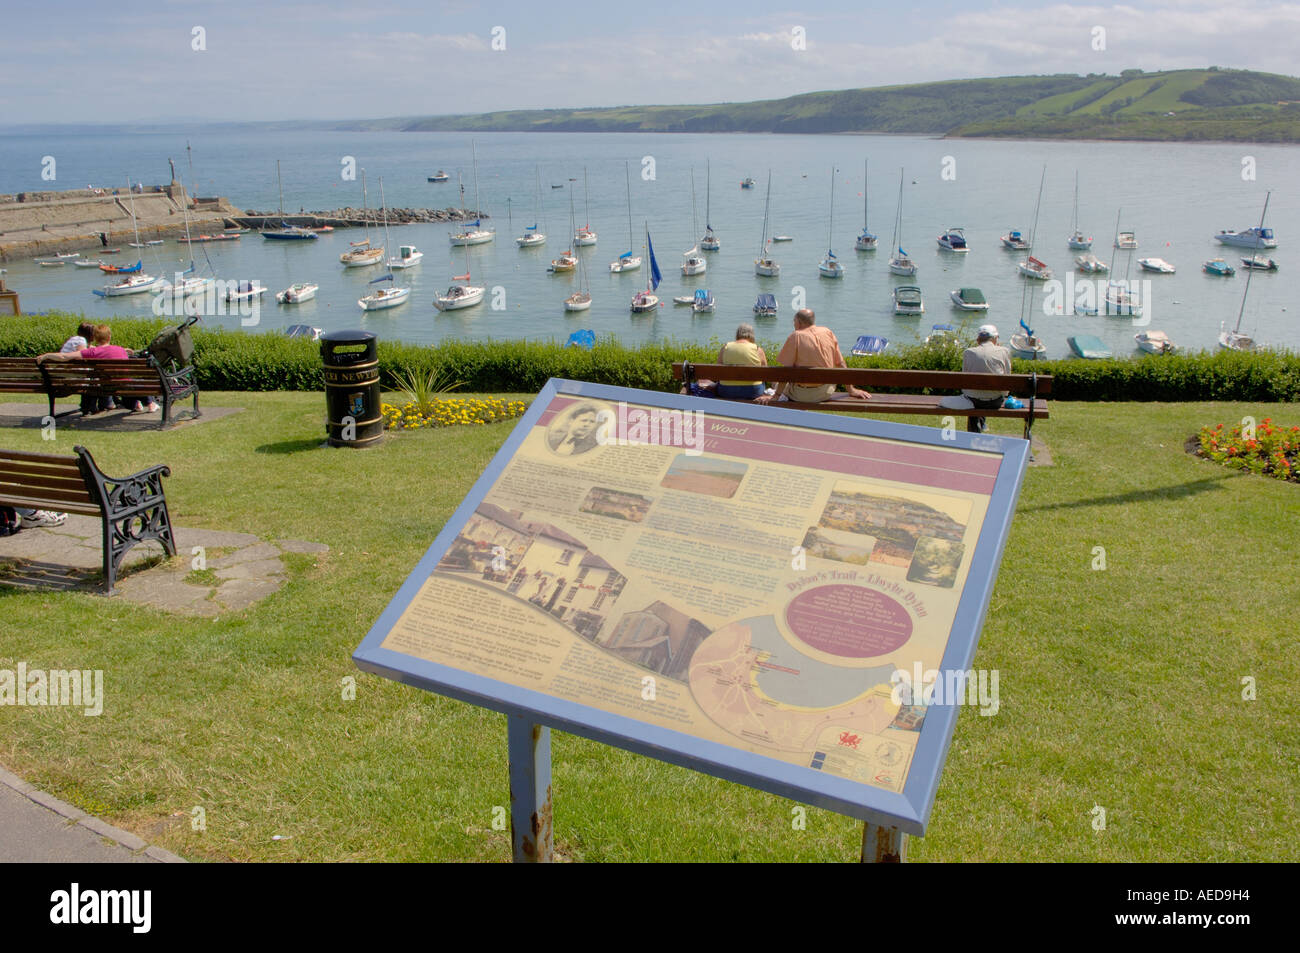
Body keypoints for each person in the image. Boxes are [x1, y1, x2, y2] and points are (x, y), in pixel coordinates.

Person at [36, 324, 159, 414]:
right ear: (109, 337)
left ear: (94, 337)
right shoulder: (120, 349)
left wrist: (46, 355)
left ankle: (137, 403)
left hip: (104, 386)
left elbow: (64, 356)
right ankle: (148, 403)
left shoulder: (92, 352)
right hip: (124, 385)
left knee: (128, 399)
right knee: (131, 386)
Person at [755, 308, 870, 404]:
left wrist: (776, 396)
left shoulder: (796, 336)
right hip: (826, 392)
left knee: (775, 383)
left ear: (799, 322)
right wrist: (851, 390)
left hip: (801, 395)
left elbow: (786, 372)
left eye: (794, 321)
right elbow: (840, 363)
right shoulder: (827, 332)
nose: (794, 324)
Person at [961, 324, 1012, 433]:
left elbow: (964, 381)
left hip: (973, 401)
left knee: (974, 397)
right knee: (986, 394)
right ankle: (982, 423)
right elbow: (1008, 378)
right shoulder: (1004, 352)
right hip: (995, 402)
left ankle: (974, 431)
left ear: (978, 340)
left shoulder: (968, 352)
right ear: (994, 339)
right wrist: (1003, 393)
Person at [715, 324, 768, 399]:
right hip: (753, 391)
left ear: (738, 334)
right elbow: (766, 373)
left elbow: (718, 370)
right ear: (752, 335)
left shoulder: (726, 347)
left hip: (726, 391)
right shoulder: (757, 349)